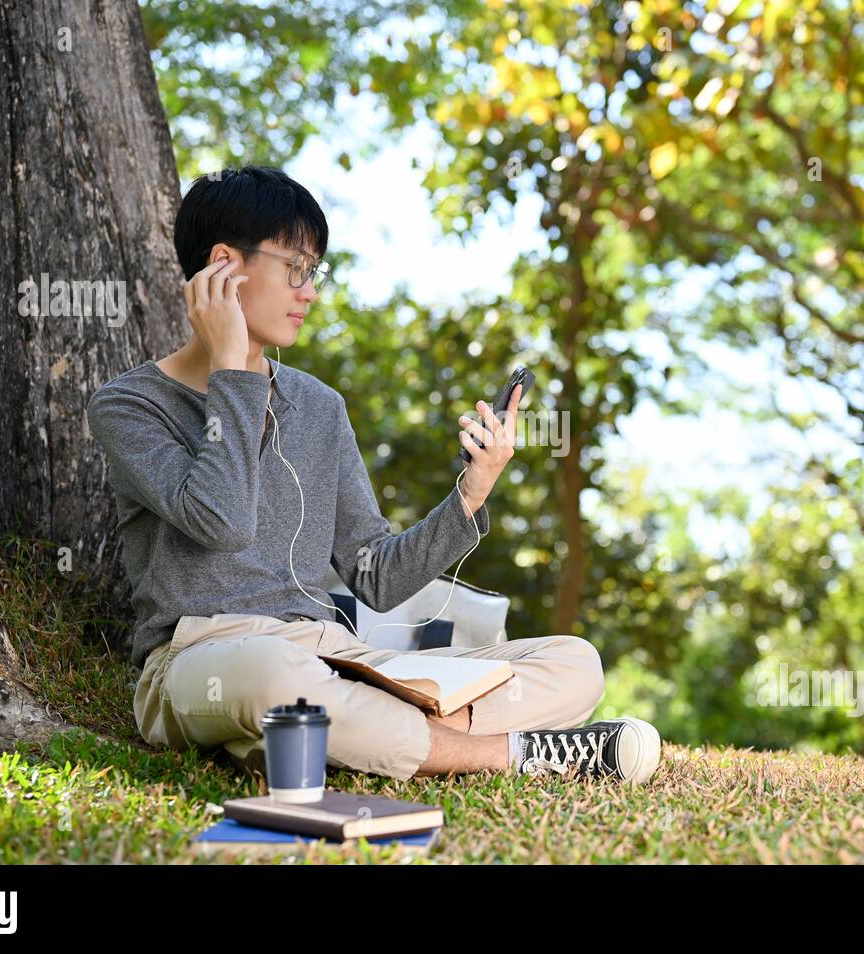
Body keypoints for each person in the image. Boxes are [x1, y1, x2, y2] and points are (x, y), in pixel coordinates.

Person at [86, 165, 660, 784]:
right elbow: (222, 522)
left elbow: (375, 577)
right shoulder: (130, 405)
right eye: (295, 268)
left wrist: (475, 489)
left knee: (575, 662)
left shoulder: (320, 407)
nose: (309, 291)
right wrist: (234, 370)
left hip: (339, 659)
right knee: (276, 678)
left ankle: (338, 734)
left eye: (315, 272)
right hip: (205, 657)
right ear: (224, 265)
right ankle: (512, 755)